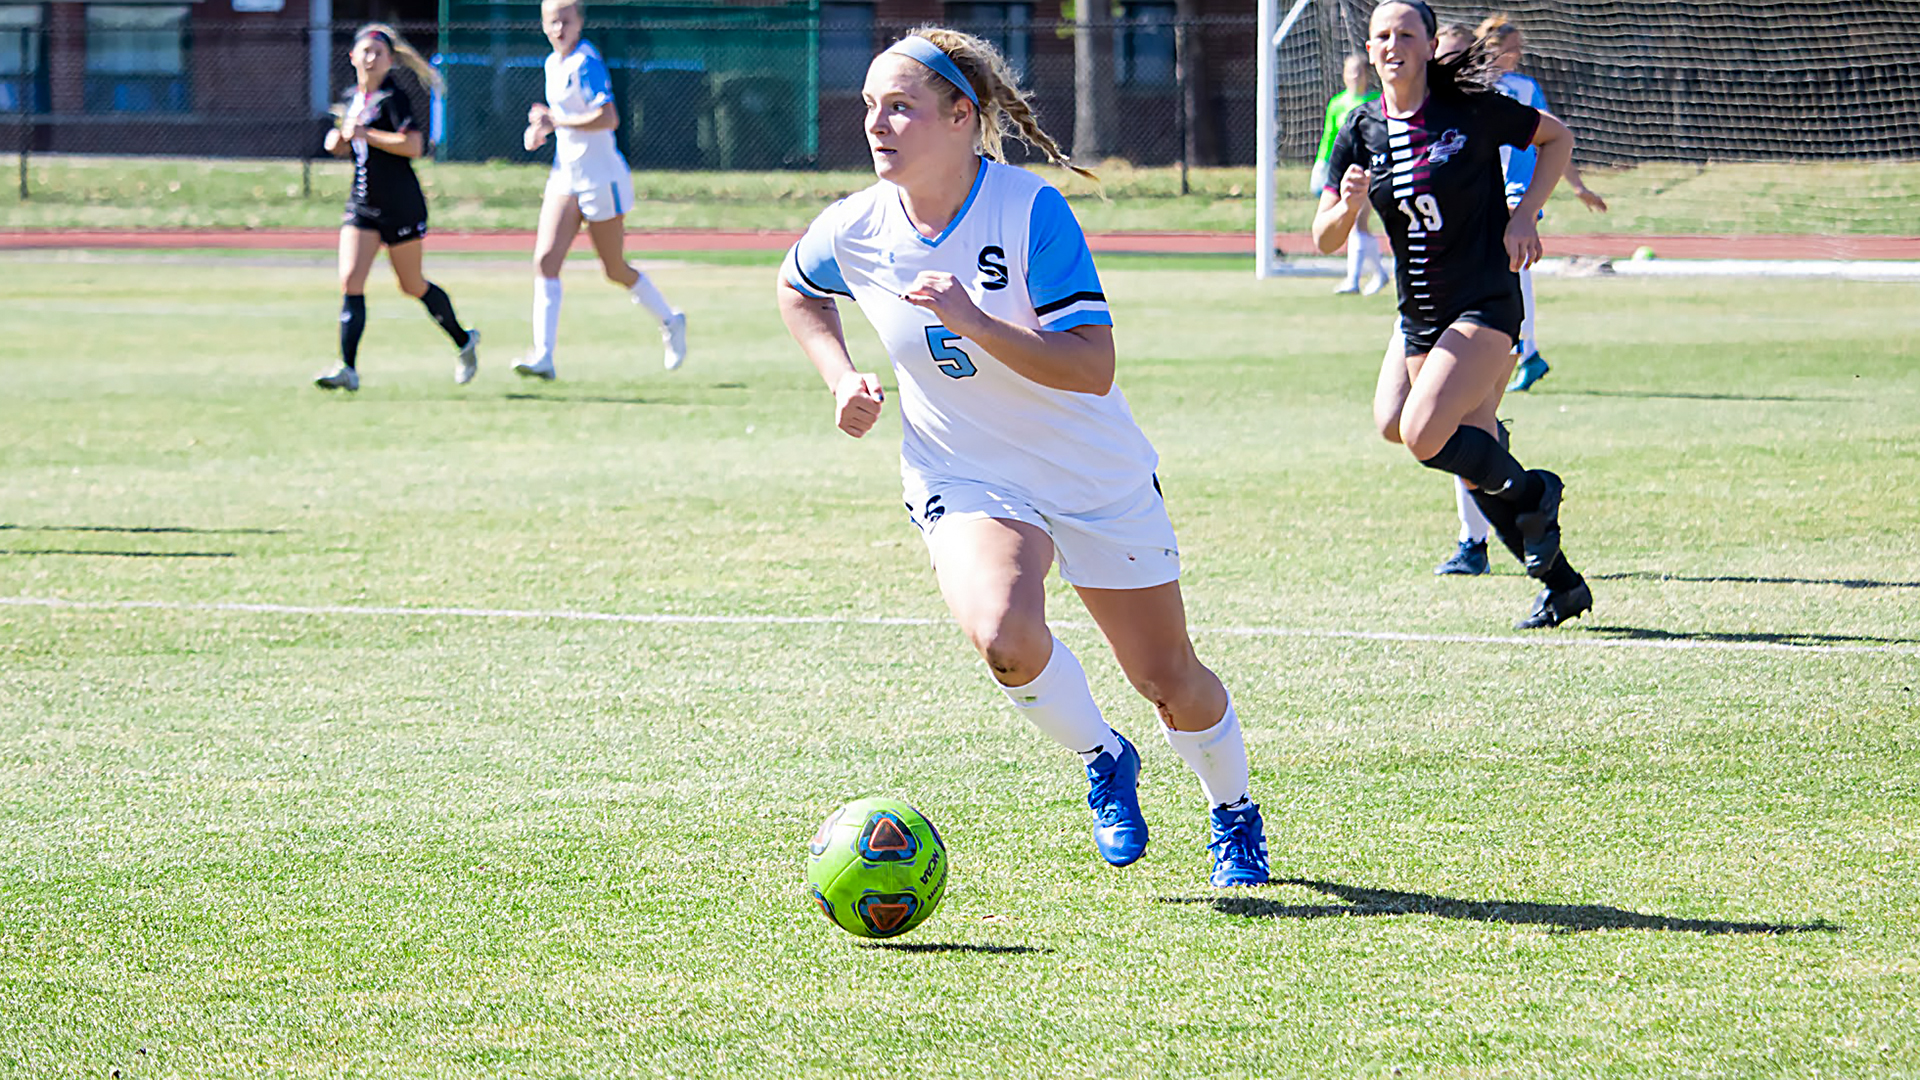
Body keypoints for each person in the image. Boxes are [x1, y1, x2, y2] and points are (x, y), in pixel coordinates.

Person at [776, 28, 1269, 887]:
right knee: (1002, 637)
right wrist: (838, 374)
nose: (877, 125)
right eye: (868, 108)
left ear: (963, 117)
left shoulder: (1029, 212)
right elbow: (797, 287)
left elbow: (1091, 366)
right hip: (963, 470)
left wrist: (977, 321)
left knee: (1165, 676)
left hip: (1090, 469)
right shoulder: (853, 227)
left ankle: (1232, 811)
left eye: (901, 107)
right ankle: (1103, 756)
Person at [1312, 0, 1592, 629]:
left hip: (1485, 303)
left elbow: (1556, 139)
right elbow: (1324, 237)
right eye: (1382, 35)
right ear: (1370, 44)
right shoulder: (1359, 128)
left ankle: (1534, 494)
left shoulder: (1467, 109)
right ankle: (1560, 580)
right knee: (1418, 432)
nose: (1392, 45)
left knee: (1424, 433)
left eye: (1406, 34)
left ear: (1429, 43)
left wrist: (1524, 215)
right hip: (1419, 313)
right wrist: (1346, 208)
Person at [515, 0, 687, 381]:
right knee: (545, 261)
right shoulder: (551, 63)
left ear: (579, 22)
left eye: (565, 20)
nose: (558, 28)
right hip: (566, 176)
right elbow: (562, 120)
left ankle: (671, 320)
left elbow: (607, 117)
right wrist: (541, 128)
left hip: (600, 178)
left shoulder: (585, 61)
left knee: (614, 268)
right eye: (551, 22)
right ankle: (543, 356)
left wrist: (556, 121)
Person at [314, 24, 478, 392]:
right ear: (352, 56)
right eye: (365, 51)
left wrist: (366, 134)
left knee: (412, 284)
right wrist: (337, 139)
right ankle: (348, 369)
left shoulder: (394, 99)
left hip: (401, 206)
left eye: (379, 53)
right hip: (362, 205)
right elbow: (341, 141)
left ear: (390, 60)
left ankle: (463, 340)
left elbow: (414, 146)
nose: (371, 58)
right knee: (351, 281)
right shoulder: (349, 97)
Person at [1478, 13, 1608, 394]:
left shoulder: (1521, 87)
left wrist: (1578, 185)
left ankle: (1523, 350)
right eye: (1511, 47)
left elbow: (1550, 137)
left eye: (1519, 47)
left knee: (1514, 268)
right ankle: (1520, 350)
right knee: (1499, 271)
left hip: (1515, 193)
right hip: (1484, 192)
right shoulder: (1473, 88)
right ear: (1492, 48)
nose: (1518, 53)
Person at [1311, 54, 1387, 295]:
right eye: (1350, 71)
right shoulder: (1337, 103)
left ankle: (1354, 279)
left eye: (1359, 71)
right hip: (1342, 172)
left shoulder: (1377, 101)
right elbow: (1329, 137)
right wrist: (1321, 163)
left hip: (1369, 169)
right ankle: (1378, 273)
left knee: (1358, 222)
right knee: (1355, 223)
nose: (1355, 76)